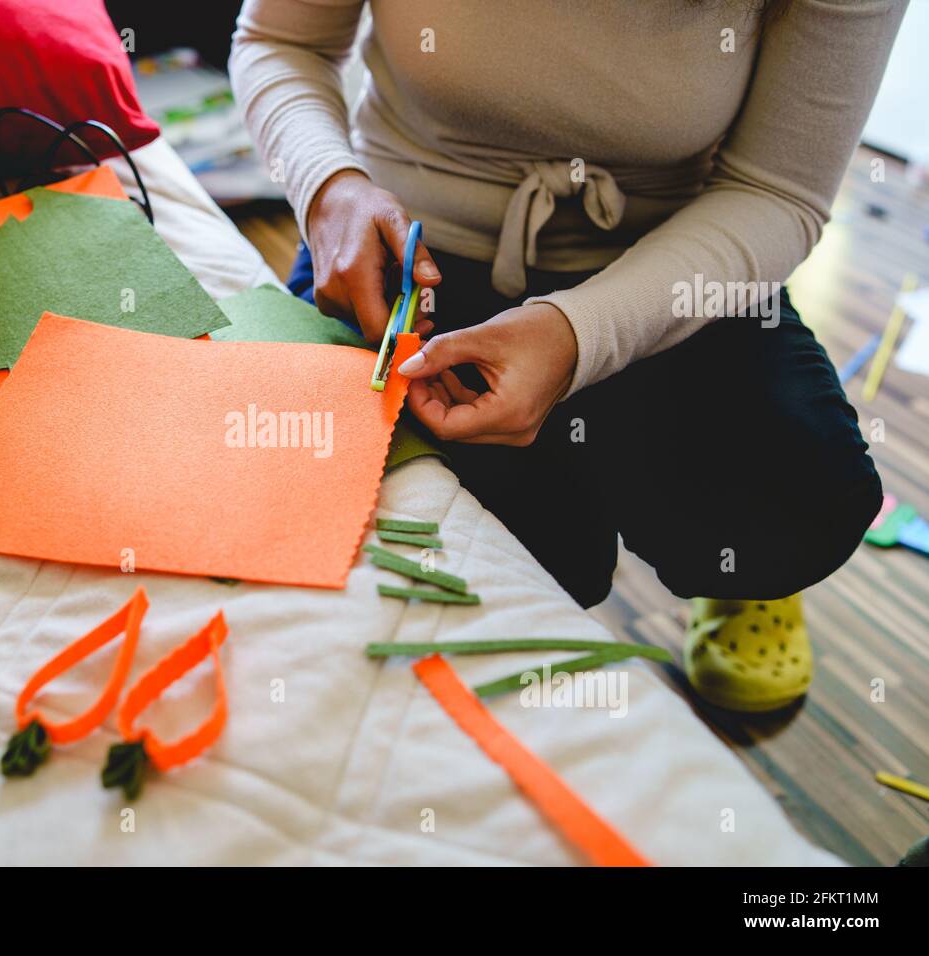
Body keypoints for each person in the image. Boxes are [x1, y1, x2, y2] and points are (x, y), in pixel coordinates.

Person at [230, 0, 906, 711]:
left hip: (669, 262)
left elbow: (777, 191)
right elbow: (277, 42)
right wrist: (329, 186)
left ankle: (733, 577)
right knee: (493, 563)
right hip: (406, 242)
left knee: (793, 495)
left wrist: (578, 335)